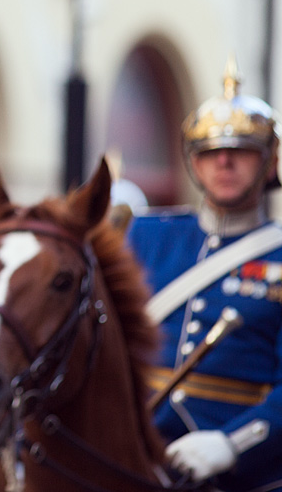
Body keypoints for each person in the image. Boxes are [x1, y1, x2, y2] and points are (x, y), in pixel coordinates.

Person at [127, 57, 282, 490]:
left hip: (244, 469)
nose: (224, 164)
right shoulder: (146, 236)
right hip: (140, 450)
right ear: (193, 164)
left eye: (241, 152)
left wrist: (233, 444)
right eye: (211, 152)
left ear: (270, 163)